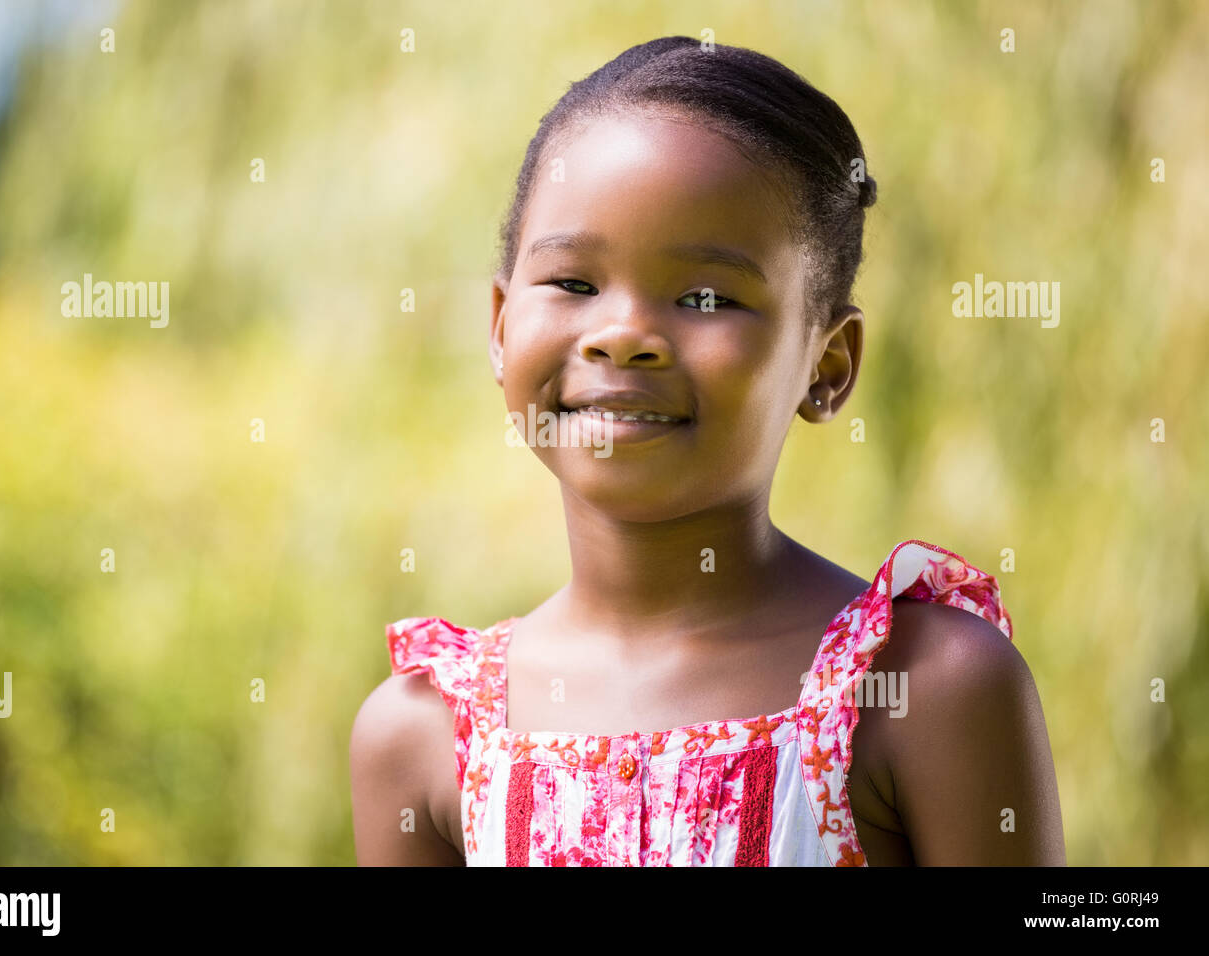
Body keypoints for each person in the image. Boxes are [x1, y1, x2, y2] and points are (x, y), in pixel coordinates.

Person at [351, 36, 1065, 866]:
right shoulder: (422, 736)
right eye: (574, 284)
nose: (622, 336)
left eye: (706, 296)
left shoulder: (923, 690)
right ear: (502, 328)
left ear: (826, 365)